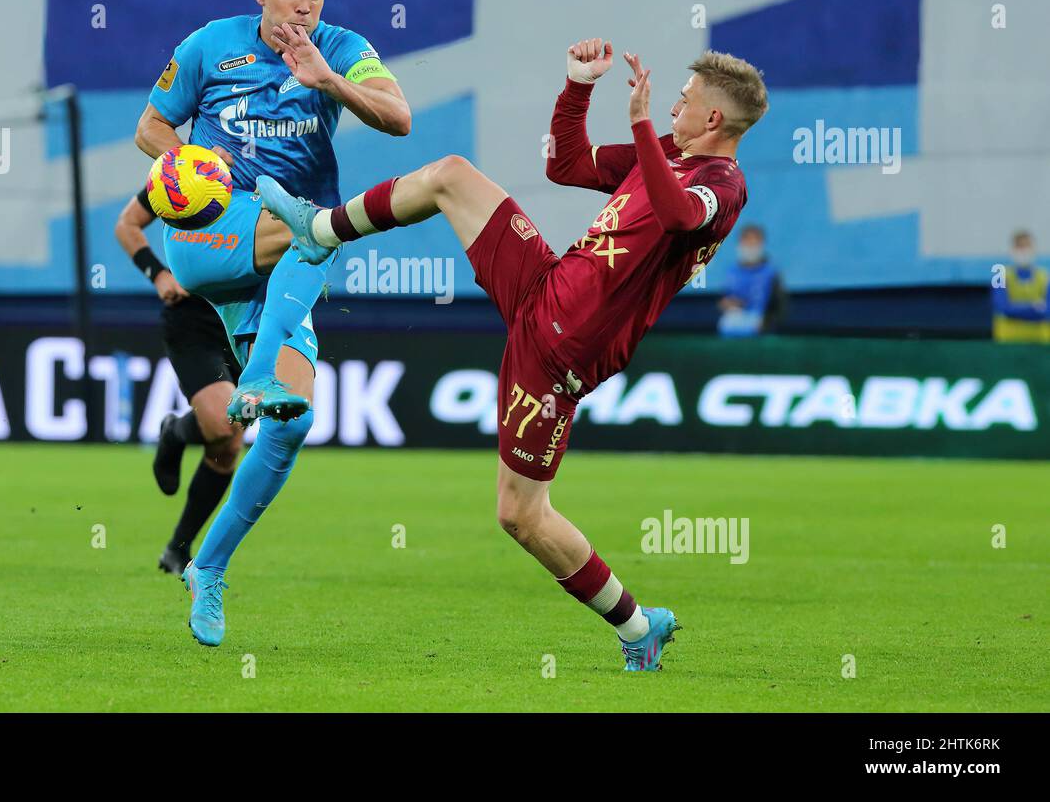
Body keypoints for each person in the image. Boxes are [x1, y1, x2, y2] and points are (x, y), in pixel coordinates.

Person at [258, 42, 767, 672]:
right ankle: (320, 231)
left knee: (520, 516)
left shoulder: (723, 184)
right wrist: (577, 88)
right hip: (548, 285)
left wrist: (637, 122)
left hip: (565, 352)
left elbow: (678, 215)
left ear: (714, 120)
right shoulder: (666, 152)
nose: (673, 107)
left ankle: (638, 626)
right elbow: (568, 165)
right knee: (450, 175)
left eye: (685, 101)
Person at [135, 0, 411, 646]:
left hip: (283, 264)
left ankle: (210, 567)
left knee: (290, 426)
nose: (306, 5)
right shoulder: (207, 46)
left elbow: (398, 116)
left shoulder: (342, 46)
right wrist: (188, 163)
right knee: (318, 229)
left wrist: (328, 81)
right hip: (208, 236)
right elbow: (151, 127)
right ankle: (254, 377)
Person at [114, 171, 288, 576]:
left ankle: (179, 547)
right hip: (195, 320)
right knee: (226, 423)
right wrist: (158, 274)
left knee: (227, 445)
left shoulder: (277, 170)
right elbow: (127, 224)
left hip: (251, 314)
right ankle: (176, 432)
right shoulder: (192, 171)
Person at [717, 224, 785, 335]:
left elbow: (779, 308)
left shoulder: (771, 273)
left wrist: (765, 324)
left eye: (754, 243)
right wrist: (727, 304)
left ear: (761, 244)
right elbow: (723, 300)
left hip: (761, 329)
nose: (750, 247)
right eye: (746, 242)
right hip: (733, 325)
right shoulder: (731, 272)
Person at [992, 230, 1050, 343]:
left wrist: (1016, 309)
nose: (1023, 251)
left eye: (1027, 246)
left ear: (1034, 250)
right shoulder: (998, 276)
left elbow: (1048, 310)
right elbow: (1002, 308)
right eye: (1019, 246)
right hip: (1008, 342)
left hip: (1039, 343)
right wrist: (1034, 308)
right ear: (1012, 250)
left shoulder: (1046, 277)